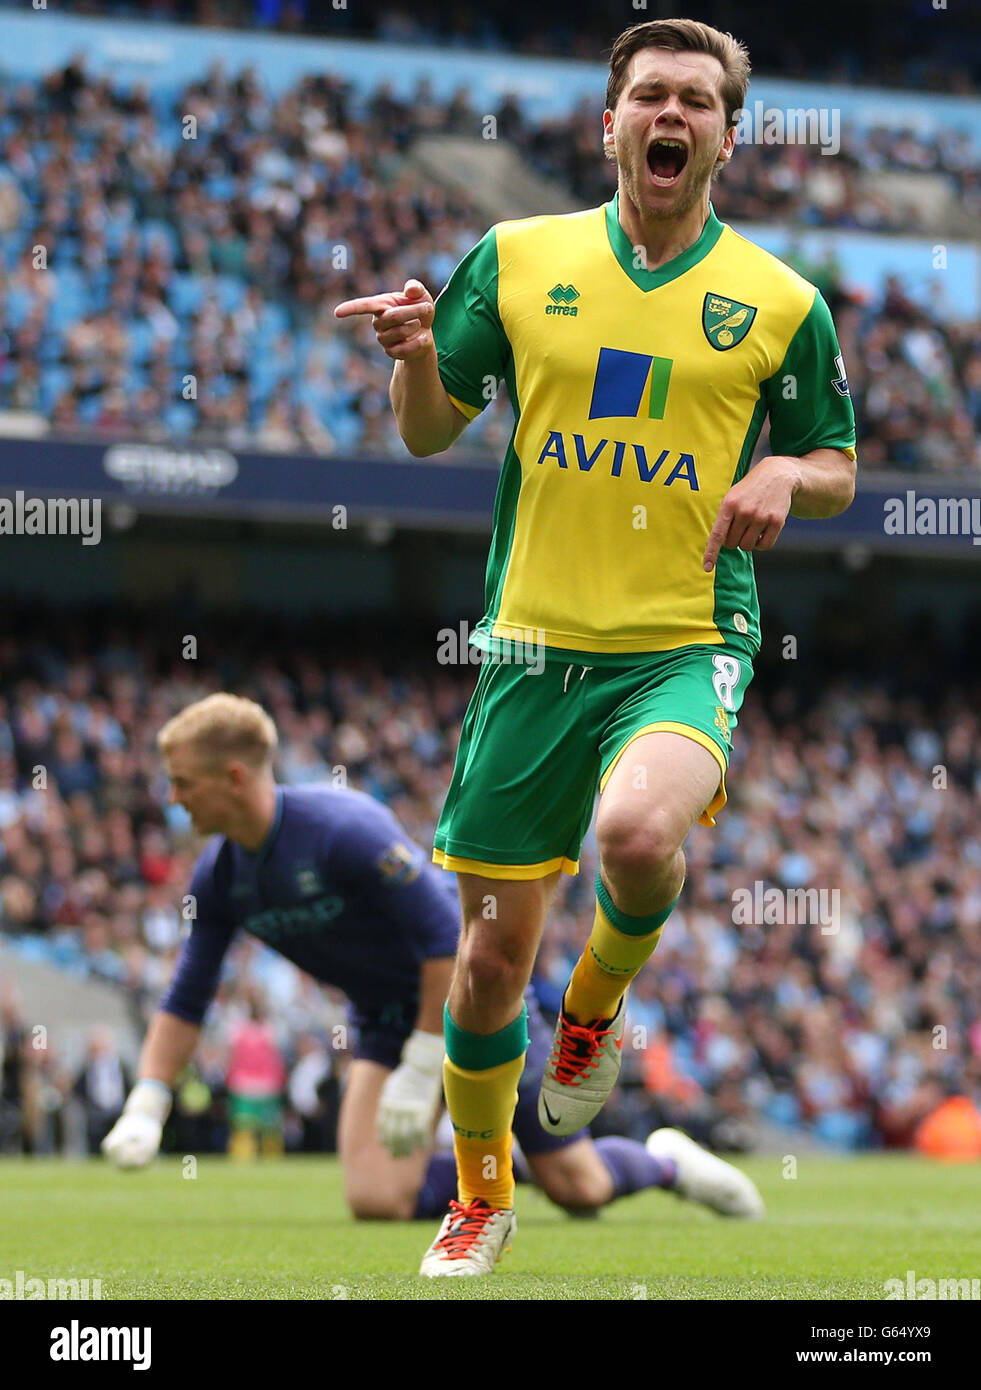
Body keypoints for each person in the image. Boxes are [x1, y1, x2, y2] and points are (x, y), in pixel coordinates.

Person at [334, 16, 855, 1275]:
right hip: (529, 652)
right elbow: (423, 431)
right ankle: (480, 1198)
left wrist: (786, 468)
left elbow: (838, 463)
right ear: (608, 123)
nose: (671, 116)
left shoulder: (783, 304)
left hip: (685, 636)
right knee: (483, 968)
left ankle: (599, 1008)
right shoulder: (515, 259)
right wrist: (409, 363)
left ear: (728, 135)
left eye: (696, 99)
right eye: (649, 96)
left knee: (634, 834)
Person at [102, 693, 763, 1231]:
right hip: (383, 1021)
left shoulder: (342, 829)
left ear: (235, 777)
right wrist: (147, 1103)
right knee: (375, 1200)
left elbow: (449, 942)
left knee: (579, 1188)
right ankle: (502, 1165)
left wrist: (425, 1066)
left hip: (475, 1001)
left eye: (183, 782)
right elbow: (188, 995)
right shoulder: (217, 877)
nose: (173, 797)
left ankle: (664, 1162)